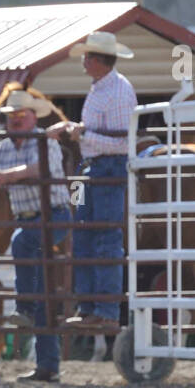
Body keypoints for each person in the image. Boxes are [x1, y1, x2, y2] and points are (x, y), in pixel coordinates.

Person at [0, 89, 72, 382]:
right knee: (43, 287)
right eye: (11, 116)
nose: (16, 120)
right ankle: (48, 365)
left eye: (22, 115)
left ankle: (24, 308)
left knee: (22, 242)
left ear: (34, 117)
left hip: (54, 215)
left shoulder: (45, 141)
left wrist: (6, 177)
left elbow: (40, 168)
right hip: (32, 219)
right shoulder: (4, 148)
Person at [47, 31, 136, 331]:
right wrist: (75, 128)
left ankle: (106, 311)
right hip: (92, 168)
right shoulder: (102, 88)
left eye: (87, 57)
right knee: (83, 234)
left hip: (108, 168)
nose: (83, 62)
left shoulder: (118, 91)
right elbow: (103, 132)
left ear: (97, 60)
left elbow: (123, 143)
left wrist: (81, 134)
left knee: (106, 236)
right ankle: (90, 308)